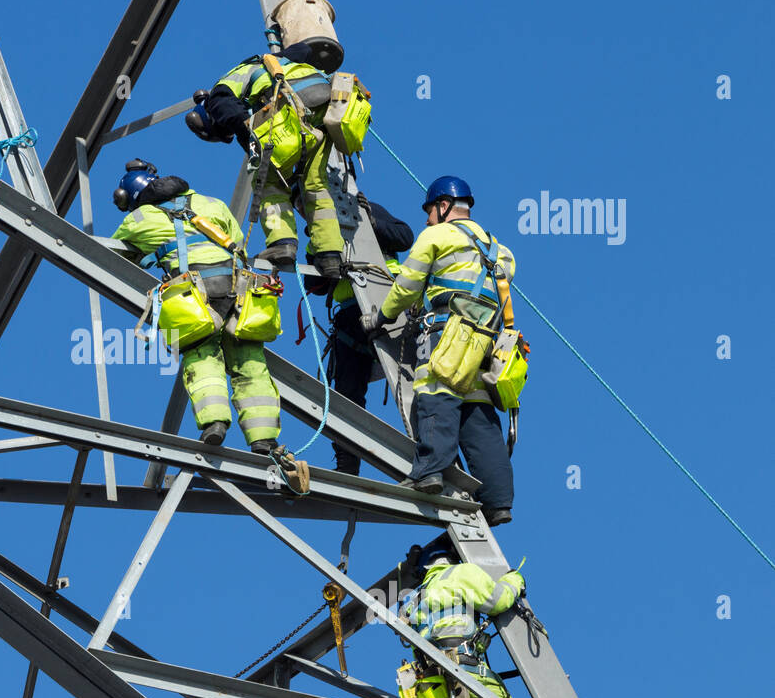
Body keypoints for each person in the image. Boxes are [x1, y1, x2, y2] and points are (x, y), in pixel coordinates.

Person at [361, 176, 516, 525]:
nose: (427, 219)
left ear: (443, 206)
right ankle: (497, 501)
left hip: (449, 332)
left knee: (435, 393)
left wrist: (382, 316)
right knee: (479, 416)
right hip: (485, 343)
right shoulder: (499, 250)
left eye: (430, 212)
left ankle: (430, 472)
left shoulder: (436, 237)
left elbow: (408, 285)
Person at [108, 159, 287, 457]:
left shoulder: (138, 219)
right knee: (250, 364)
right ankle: (263, 439)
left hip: (194, 293)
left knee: (203, 359)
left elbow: (114, 255)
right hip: (238, 287)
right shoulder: (210, 202)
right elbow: (238, 242)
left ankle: (214, 423)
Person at [398, 538, 554, 698]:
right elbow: (497, 601)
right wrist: (515, 581)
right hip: (467, 673)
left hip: (436, 690)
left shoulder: (412, 600)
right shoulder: (459, 574)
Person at [193, 43, 345, 286]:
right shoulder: (268, 61)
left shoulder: (219, 92)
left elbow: (233, 116)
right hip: (326, 104)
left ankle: (282, 244)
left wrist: (253, 145)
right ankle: (330, 255)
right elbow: (304, 50)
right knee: (315, 185)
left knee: (268, 184)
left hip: (293, 110)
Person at [303, 191, 414, 474]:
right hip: (354, 316)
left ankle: (432, 458)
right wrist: (317, 249)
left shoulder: (368, 210)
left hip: (390, 306)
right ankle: (347, 460)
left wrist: (372, 221)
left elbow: (405, 237)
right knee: (348, 394)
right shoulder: (322, 228)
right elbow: (314, 286)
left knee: (415, 387)